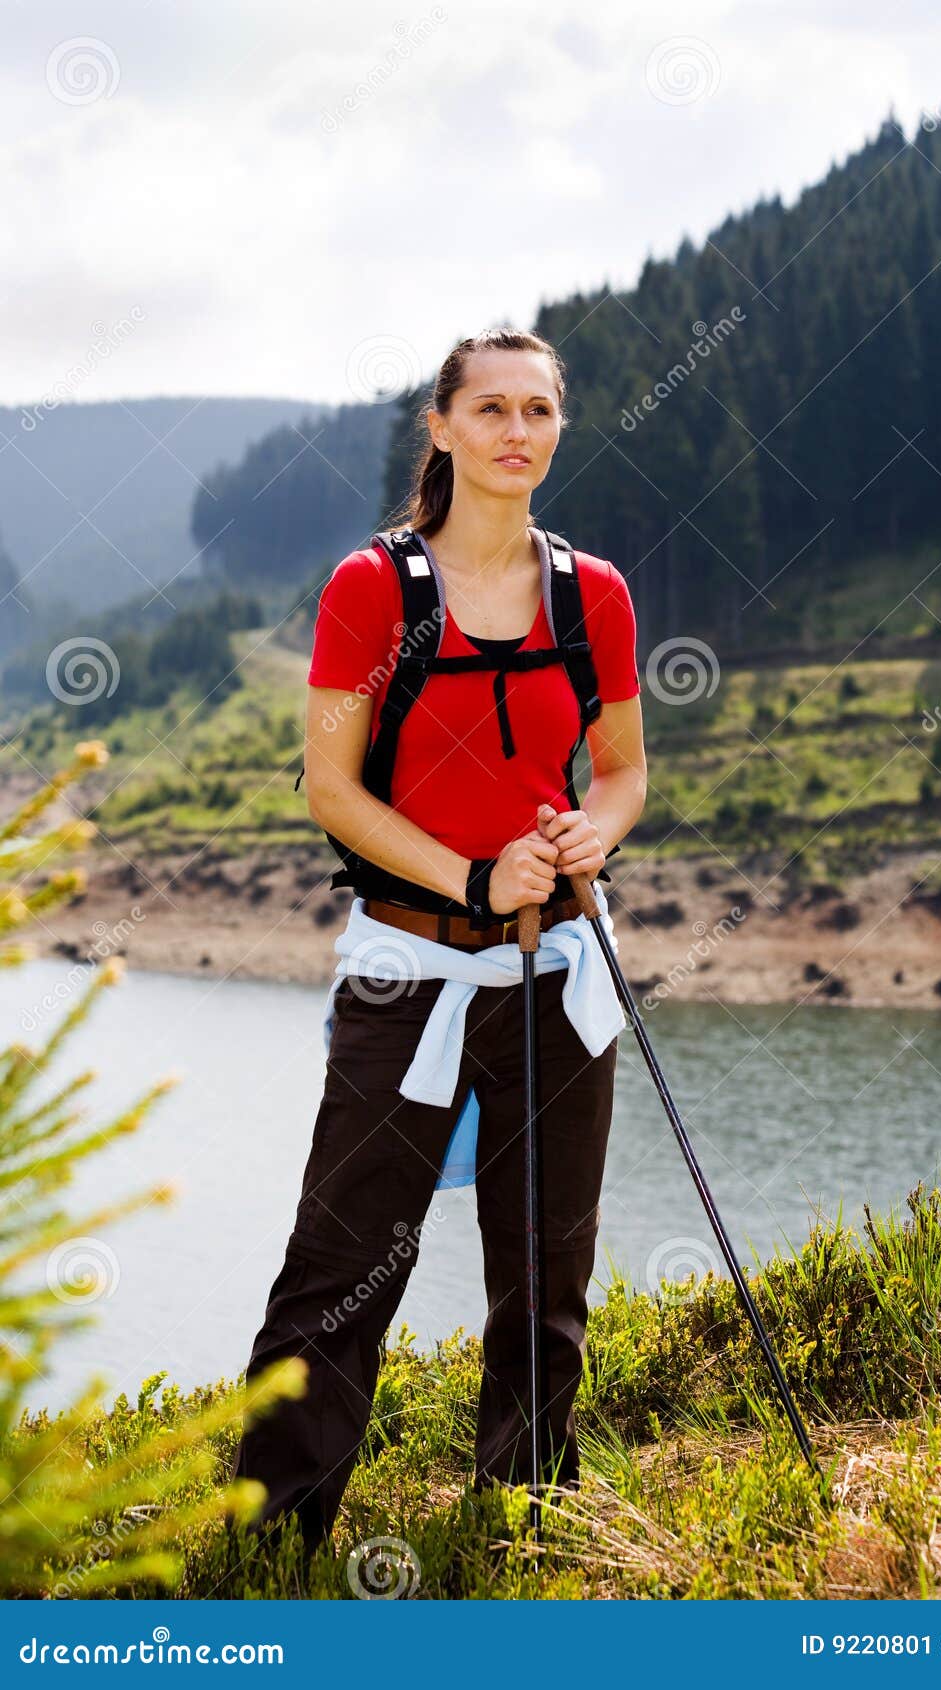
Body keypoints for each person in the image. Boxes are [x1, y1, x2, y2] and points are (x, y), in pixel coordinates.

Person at [229, 326, 647, 1557]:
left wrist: (586, 836)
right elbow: (330, 788)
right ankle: (270, 1546)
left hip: (559, 974)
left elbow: (620, 774)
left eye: (538, 411)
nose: (518, 432)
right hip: (408, 971)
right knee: (338, 1270)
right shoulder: (372, 588)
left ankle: (519, 1524)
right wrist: (471, 873)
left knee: (545, 1272)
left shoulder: (595, 595)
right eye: (492, 410)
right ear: (444, 427)